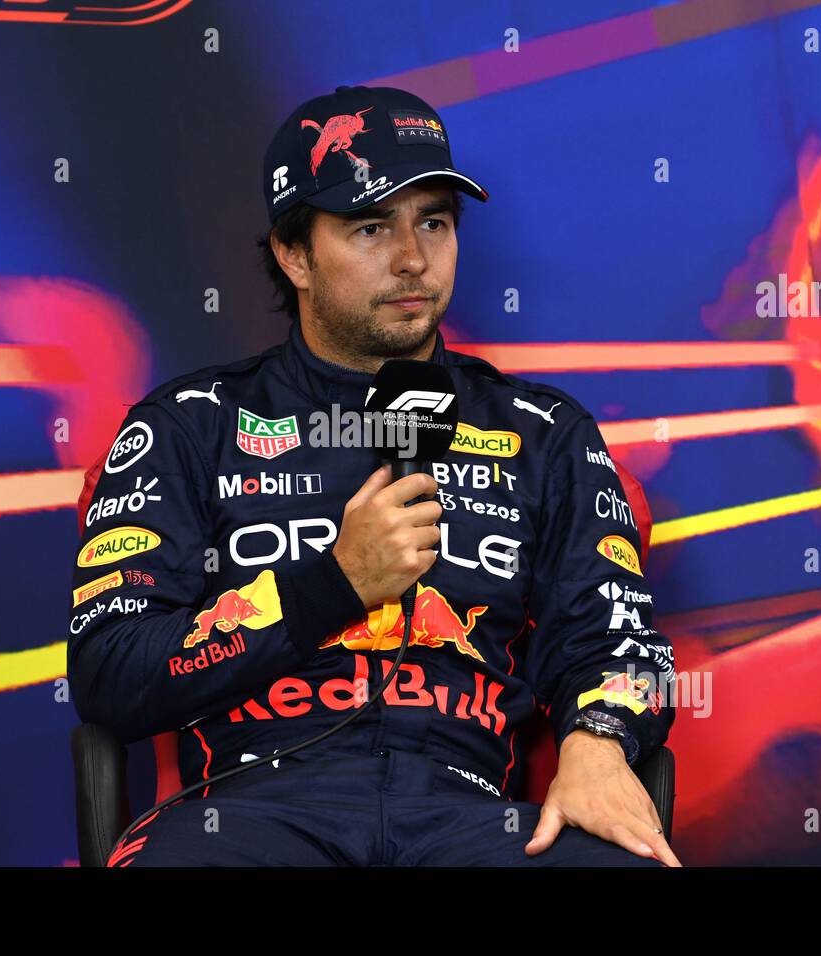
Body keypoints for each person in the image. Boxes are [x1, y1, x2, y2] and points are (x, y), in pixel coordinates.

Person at [68, 85, 680, 867]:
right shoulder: (188, 424)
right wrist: (335, 582)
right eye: (369, 226)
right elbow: (110, 673)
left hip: (470, 815)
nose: (412, 258)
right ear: (294, 253)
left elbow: (624, 650)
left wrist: (599, 741)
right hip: (249, 816)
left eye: (434, 221)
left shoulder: (544, 434)